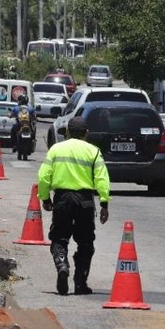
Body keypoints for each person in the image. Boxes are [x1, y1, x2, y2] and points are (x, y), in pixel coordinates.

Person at [37, 115, 111, 296]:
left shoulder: (56, 149)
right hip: (85, 201)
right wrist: (104, 203)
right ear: (86, 133)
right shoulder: (93, 151)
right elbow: (102, 179)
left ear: (68, 132)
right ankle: (80, 283)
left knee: (59, 238)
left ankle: (62, 264)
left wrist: (45, 199)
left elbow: (43, 176)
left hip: (62, 200)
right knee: (86, 243)